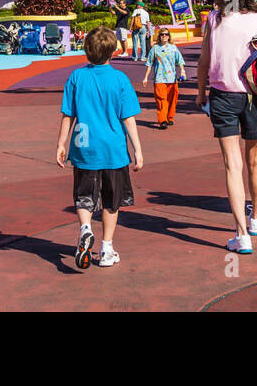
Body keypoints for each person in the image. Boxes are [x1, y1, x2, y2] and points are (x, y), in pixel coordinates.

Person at [55, 27, 144, 269]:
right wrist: (137, 149)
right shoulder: (120, 80)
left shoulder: (76, 77)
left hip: (84, 147)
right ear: (113, 52)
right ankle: (106, 248)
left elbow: (68, 114)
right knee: (111, 201)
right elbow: (128, 118)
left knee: (84, 197)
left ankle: (85, 228)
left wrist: (61, 143)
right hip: (113, 150)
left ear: (86, 51)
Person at [195, 0, 257, 253]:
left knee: (232, 164)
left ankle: (241, 235)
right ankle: (255, 217)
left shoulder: (214, 19)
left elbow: (204, 61)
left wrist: (201, 92)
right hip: (256, 94)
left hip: (223, 95)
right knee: (256, 159)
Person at [141, 28, 186, 128]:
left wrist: (182, 70)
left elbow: (180, 61)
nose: (164, 36)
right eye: (162, 34)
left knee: (172, 100)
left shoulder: (174, 48)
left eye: (166, 34)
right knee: (161, 100)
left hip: (172, 79)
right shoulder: (155, 48)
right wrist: (145, 77)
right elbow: (149, 63)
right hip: (159, 79)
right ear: (159, 36)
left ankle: (170, 117)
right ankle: (162, 120)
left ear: (169, 36)